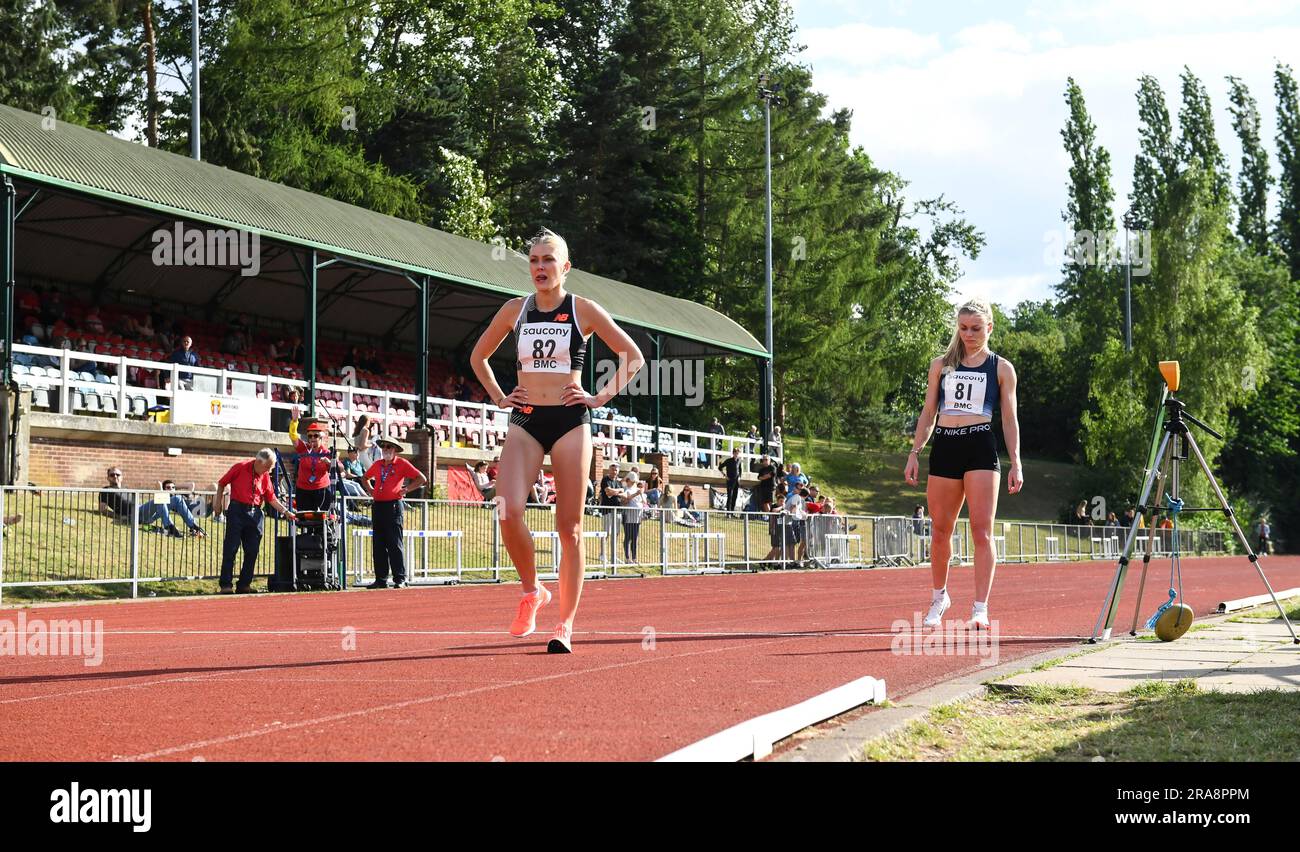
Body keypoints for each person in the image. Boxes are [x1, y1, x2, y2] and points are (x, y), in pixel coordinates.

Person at [470, 228, 644, 653]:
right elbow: (479, 357)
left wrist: (599, 396)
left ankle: (564, 626)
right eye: (533, 260)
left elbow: (633, 356)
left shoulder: (583, 309)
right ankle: (532, 591)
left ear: (565, 267)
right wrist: (498, 395)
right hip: (526, 419)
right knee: (508, 511)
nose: (540, 268)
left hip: (570, 420)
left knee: (570, 529)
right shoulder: (515, 310)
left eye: (548, 260)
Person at [903, 298, 1022, 630]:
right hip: (946, 446)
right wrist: (915, 451)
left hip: (980, 446)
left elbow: (1010, 420)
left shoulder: (1001, 368)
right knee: (941, 532)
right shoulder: (941, 365)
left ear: (989, 328)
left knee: (981, 531)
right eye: (964, 328)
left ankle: (980, 607)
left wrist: (1016, 462)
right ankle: (939, 597)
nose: (969, 334)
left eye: (976, 328)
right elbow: (929, 412)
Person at [216, 449, 296, 593]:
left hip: (256, 513)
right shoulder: (240, 467)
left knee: (252, 550)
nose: (268, 470)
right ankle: (226, 585)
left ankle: (244, 584)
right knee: (231, 548)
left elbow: (271, 498)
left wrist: (285, 511)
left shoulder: (265, 476)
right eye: (267, 467)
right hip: (237, 510)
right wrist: (218, 504)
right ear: (259, 462)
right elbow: (222, 483)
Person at [360, 437, 427, 589]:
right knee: (378, 544)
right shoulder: (378, 464)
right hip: (378, 506)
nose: (386, 450)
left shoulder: (402, 463)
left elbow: (421, 478)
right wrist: (370, 489)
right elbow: (365, 478)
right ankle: (381, 579)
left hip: (393, 507)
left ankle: (399, 578)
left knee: (394, 544)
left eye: (389, 447)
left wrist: (406, 490)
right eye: (383, 447)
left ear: (395, 449)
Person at [97, 467, 197, 538]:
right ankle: (169, 527)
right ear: (108, 478)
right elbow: (102, 509)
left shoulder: (126, 489)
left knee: (178, 498)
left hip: (144, 512)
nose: (115, 476)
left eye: (117, 474)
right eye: (112, 475)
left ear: (122, 477)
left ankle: (194, 527)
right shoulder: (106, 490)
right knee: (159, 499)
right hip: (133, 515)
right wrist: (120, 517)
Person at [288, 417, 337, 512]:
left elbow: (339, 468)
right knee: (304, 518)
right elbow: (293, 436)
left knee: (321, 519)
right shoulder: (303, 448)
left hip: (321, 489)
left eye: (316, 436)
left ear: (321, 438)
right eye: (310, 436)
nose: (312, 438)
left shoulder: (327, 452)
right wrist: (294, 421)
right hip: (303, 489)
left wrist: (329, 462)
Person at [621, 477, 647, 563]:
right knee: (628, 538)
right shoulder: (627, 490)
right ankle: (627, 558)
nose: (639, 487)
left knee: (635, 538)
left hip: (637, 518)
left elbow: (644, 503)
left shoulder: (642, 493)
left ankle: (634, 558)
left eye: (641, 486)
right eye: (638, 485)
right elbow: (624, 501)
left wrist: (640, 494)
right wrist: (636, 494)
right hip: (628, 517)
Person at [719, 446, 742, 515]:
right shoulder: (729, 461)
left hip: (736, 481)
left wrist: (740, 477)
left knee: (735, 496)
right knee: (730, 496)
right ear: (733, 453)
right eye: (735, 453)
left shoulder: (739, 460)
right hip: (730, 480)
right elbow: (720, 467)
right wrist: (725, 475)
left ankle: (732, 511)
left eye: (737, 453)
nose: (736, 454)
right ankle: (728, 512)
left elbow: (740, 470)